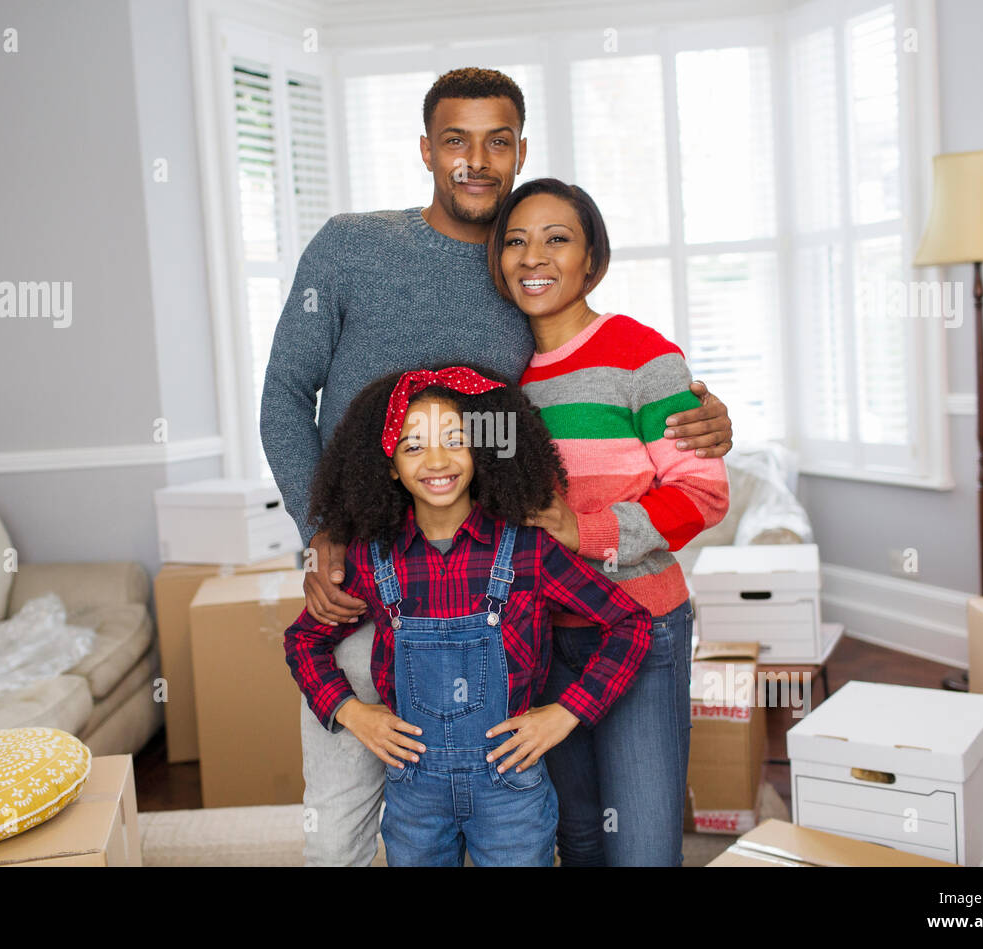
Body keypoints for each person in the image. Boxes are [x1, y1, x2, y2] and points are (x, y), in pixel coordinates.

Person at [260, 67, 733, 866]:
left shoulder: (523, 291)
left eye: (497, 141)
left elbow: (604, 394)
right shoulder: (351, 246)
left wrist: (701, 412)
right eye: (455, 140)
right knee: (343, 823)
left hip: (500, 593)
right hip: (365, 571)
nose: (475, 161)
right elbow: (283, 395)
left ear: (518, 152)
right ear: (425, 150)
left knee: (527, 813)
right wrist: (321, 535)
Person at [282, 365, 652, 866]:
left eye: (453, 440)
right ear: (388, 466)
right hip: (414, 794)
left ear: (480, 451)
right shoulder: (373, 559)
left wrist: (565, 714)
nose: (436, 460)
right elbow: (303, 641)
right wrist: (353, 713)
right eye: (413, 446)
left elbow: (629, 623)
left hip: (510, 795)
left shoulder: (527, 549)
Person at [487, 178, 731, 866]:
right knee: (580, 838)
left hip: (641, 629)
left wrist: (584, 530)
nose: (533, 257)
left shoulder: (642, 354)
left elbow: (703, 492)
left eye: (556, 239)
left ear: (592, 260)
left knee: (643, 848)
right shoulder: (496, 380)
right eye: (515, 241)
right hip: (538, 639)